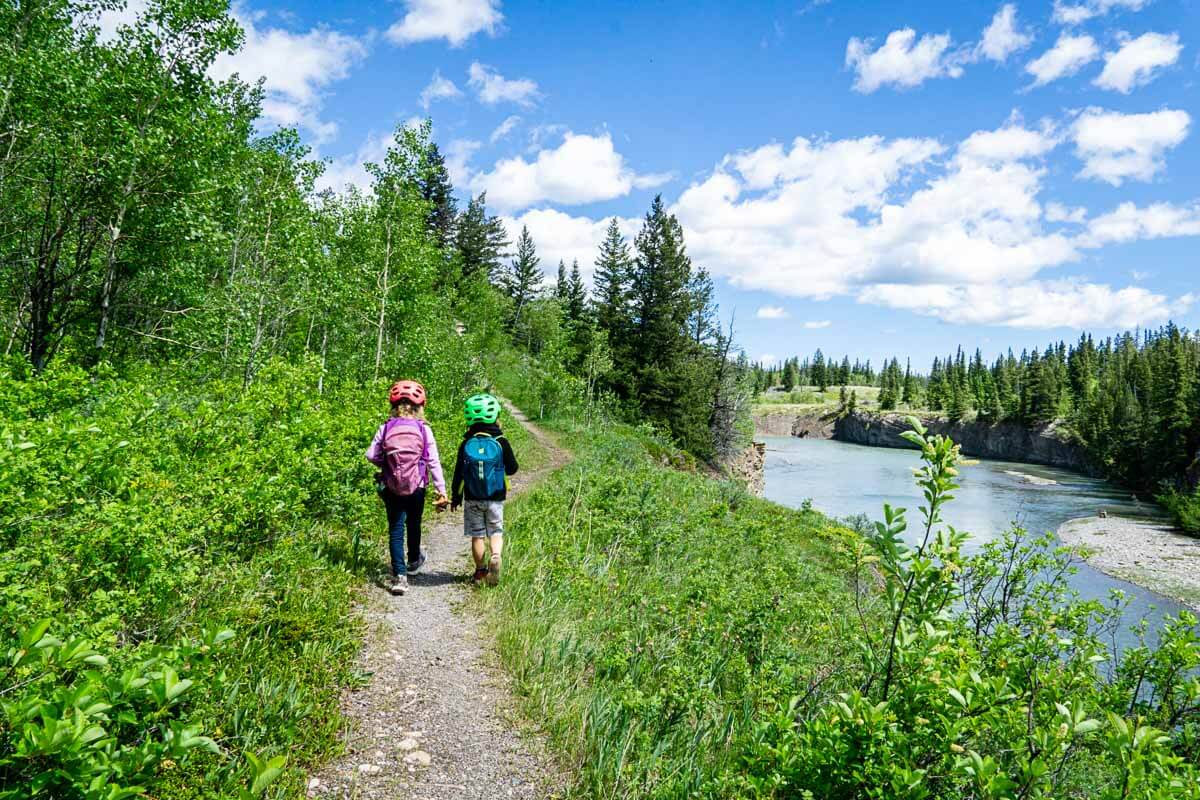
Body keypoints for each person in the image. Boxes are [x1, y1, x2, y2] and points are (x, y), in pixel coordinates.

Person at [366, 380, 449, 596]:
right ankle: (413, 561)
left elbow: (370, 455)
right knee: (414, 522)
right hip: (417, 486)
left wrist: (386, 465)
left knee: (395, 529)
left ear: (394, 406)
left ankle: (400, 578)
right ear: (420, 407)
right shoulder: (424, 429)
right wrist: (442, 490)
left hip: (392, 485)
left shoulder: (385, 427)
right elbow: (433, 462)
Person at [450, 393, 518, 585]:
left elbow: (459, 473)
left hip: (472, 497)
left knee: (477, 535)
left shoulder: (466, 443)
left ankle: (480, 571)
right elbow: (513, 468)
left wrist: (456, 497)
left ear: (469, 418)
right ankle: (496, 555)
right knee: (495, 531)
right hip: (495, 497)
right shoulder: (501, 441)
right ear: (496, 416)